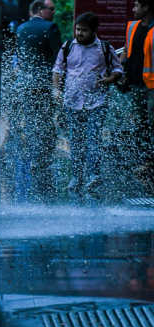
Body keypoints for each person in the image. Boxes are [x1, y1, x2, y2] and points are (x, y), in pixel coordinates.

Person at [52, 12, 123, 201]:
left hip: (97, 102)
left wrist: (108, 80)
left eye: (83, 30)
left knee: (94, 140)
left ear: (93, 31)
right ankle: (77, 177)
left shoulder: (105, 48)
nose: (79, 33)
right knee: (76, 142)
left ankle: (94, 177)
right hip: (72, 102)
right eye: (77, 29)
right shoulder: (67, 47)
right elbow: (57, 69)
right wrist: (57, 91)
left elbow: (117, 69)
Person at [10, 0, 62, 201]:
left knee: (31, 118)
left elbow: (21, 58)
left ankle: (32, 152)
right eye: (51, 8)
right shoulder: (51, 28)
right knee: (45, 120)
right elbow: (58, 57)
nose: (54, 12)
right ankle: (42, 157)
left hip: (26, 83)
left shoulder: (21, 28)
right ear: (40, 9)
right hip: (43, 83)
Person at [119, 0, 154, 192]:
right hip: (136, 85)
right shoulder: (132, 27)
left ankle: (149, 164)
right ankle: (145, 163)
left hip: (151, 86)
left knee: (150, 125)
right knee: (140, 125)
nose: (133, 9)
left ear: (146, 7)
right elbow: (126, 50)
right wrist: (122, 69)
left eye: (136, 6)